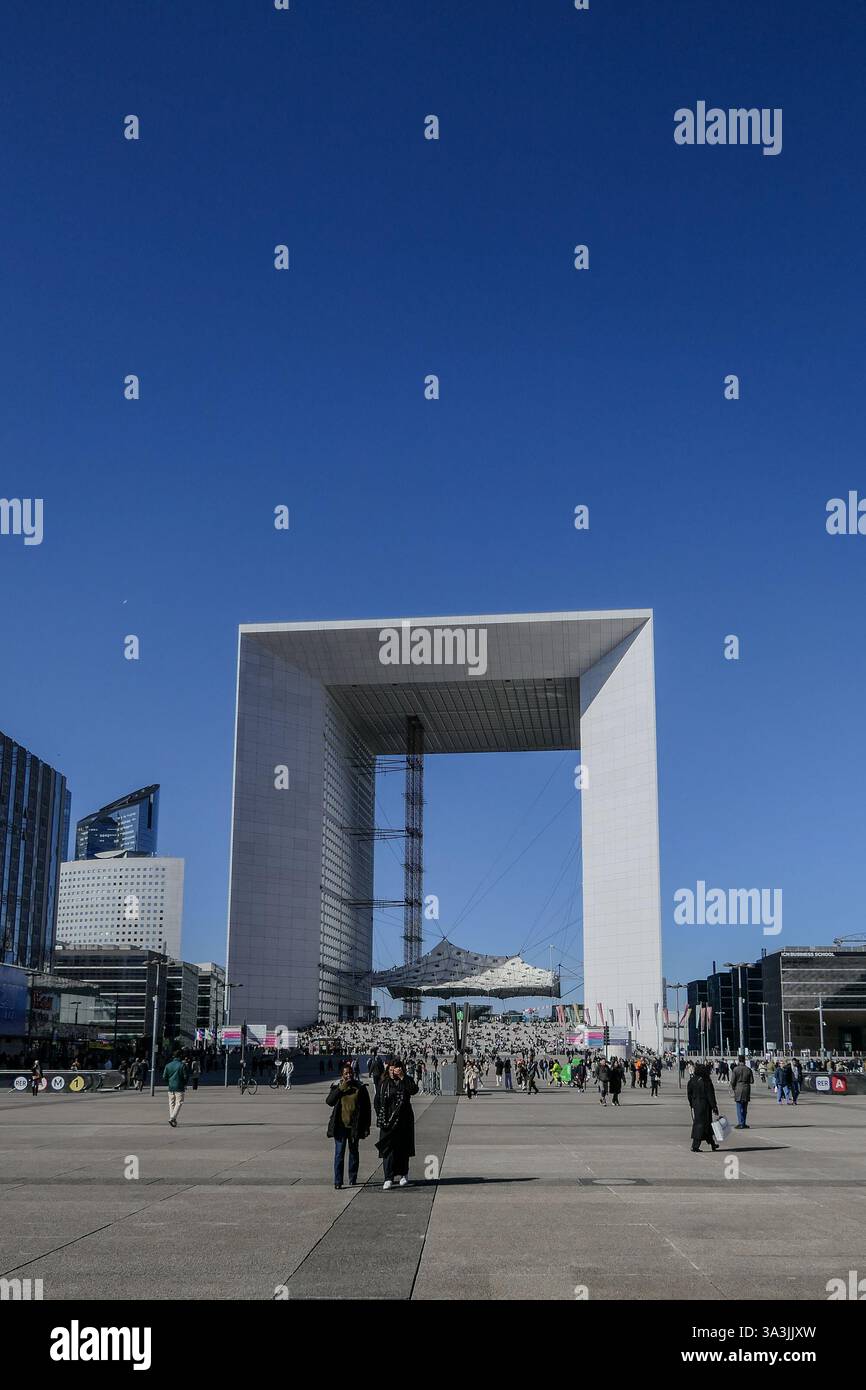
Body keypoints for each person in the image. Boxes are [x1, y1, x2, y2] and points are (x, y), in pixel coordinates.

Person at [326, 1061, 372, 1189]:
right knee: (339, 1154)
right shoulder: (337, 1086)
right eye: (346, 1073)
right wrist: (341, 1088)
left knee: (353, 1153)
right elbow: (329, 1101)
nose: (348, 1075)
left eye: (350, 1073)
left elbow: (367, 1108)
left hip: (354, 1126)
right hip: (340, 1126)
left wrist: (366, 1126)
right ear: (342, 1075)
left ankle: (353, 1178)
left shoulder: (360, 1087)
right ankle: (338, 1181)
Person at [375, 1058, 418, 1189]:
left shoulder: (406, 1080)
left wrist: (403, 1077)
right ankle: (388, 1177)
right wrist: (381, 1116)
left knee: (403, 1149)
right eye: (391, 1068)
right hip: (388, 1121)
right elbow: (377, 1101)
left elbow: (413, 1090)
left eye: (396, 1068)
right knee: (388, 1150)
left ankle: (404, 1174)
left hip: (404, 1121)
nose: (393, 1071)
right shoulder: (384, 1082)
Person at [687, 1063, 720, 1152]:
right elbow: (710, 1094)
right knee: (702, 1125)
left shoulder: (692, 1080)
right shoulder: (706, 1080)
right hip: (705, 1105)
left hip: (696, 1105)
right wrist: (714, 1106)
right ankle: (695, 1145)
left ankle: (712, 1144)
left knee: (704, 1124)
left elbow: (689, 1094)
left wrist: (692, 1104)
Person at [163, 1050, 189, 1128]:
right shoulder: (182, 1065)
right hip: (179, 1086)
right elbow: (185, 1077)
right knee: (179, 1102)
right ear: (180, 1056)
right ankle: (172, 1118)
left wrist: (169, 1082)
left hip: (171, 1087)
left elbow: (164, 1077)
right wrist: (184, 1084)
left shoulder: (168, 1065)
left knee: (171, 1103)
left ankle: (173, 1119)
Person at [730, 1055, 753, 1129]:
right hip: (746, 1088)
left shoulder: (735, 1069)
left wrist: (734, 1088)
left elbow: (732, 1081)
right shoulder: (748, 1069)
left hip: (738, 1088)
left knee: (739, 1107)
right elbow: (752, 1081)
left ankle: (740, 1123)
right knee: (745, 1108)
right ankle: (744, 1122)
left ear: (738, 1060)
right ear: (744, 1060)